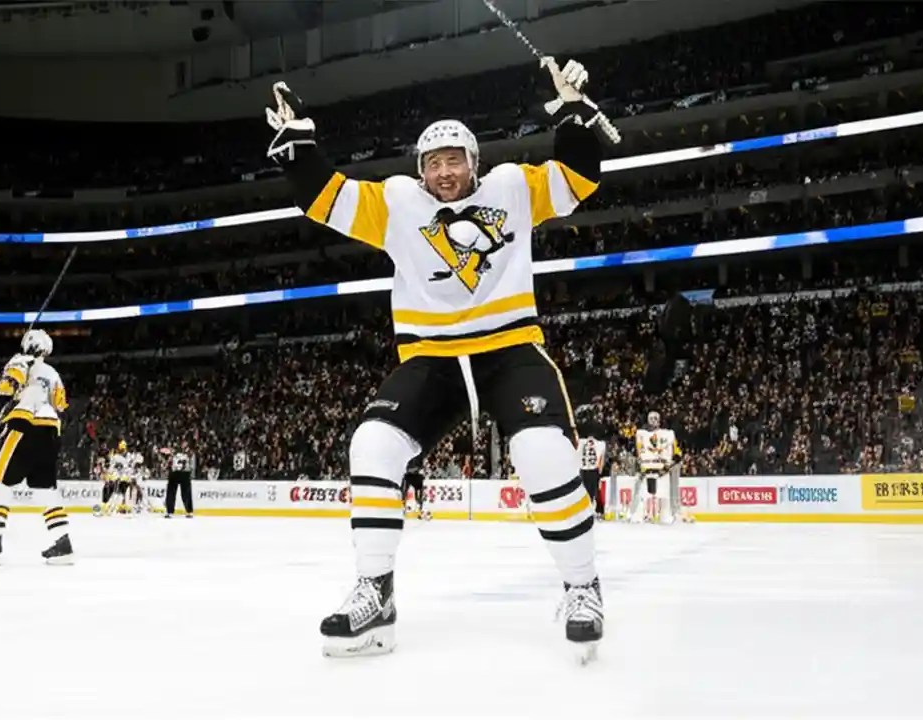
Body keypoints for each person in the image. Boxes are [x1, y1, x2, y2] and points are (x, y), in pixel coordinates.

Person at [265, 55, 609, 662]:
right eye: (433, 163)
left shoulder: (513, 188)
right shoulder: (398, 202)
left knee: (541, 450)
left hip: (509, 347)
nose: (444, 172)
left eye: (455, 160)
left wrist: (575, 113)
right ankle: (377, 592)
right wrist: (299, 148)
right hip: (432, 357)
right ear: (420, 171)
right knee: (372, 443)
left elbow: (578, 177)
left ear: (474, 164)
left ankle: (583, 587)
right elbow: (325, 198)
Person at [0, 329, 74, 565]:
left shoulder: (19, 361)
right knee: (44, 489)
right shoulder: (53, 373)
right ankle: (63, 543)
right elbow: (61, 404)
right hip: (51, 430)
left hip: (24, 424)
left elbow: (7, 388)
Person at [163, 440, 195, 518]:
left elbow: (169, 460)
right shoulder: (188, 452)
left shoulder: (176, 452)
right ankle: (170, 511)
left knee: (185, 493)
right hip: (178, 473)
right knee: (172, 492)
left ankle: (188, 511)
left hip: (183, 473)